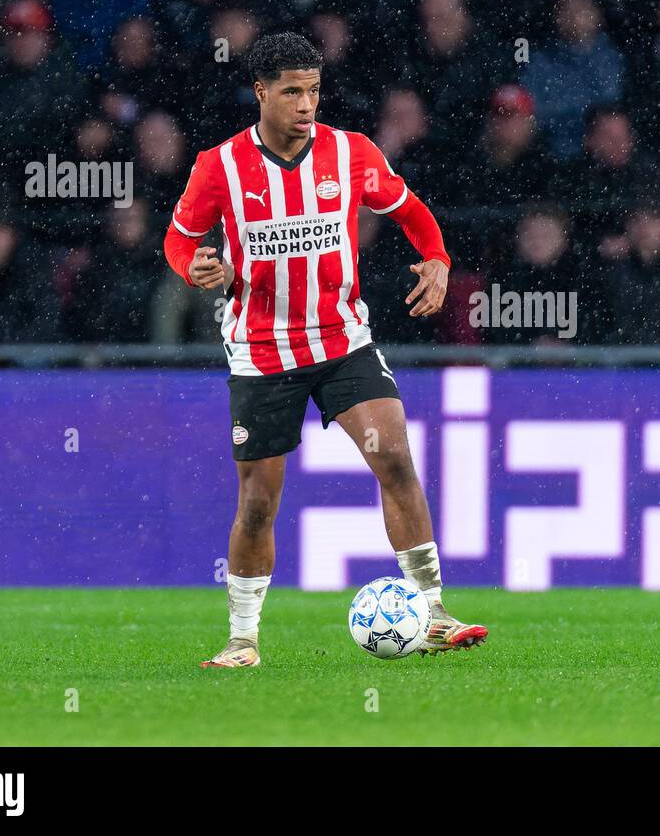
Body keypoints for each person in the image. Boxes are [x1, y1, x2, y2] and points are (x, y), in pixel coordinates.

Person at [162, 32, 487, 668]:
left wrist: (438, 260)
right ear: (261, 92)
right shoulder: (220, 166)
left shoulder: (352, 153)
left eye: (313, 90)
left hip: (343, 342)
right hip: (262, 352)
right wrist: (197, 268)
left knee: (394, 455)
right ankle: (243, 640)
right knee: (258, 503)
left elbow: (411, 211)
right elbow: (179, 240)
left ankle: (434, 613)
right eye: (291, 91)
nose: (306, 104)